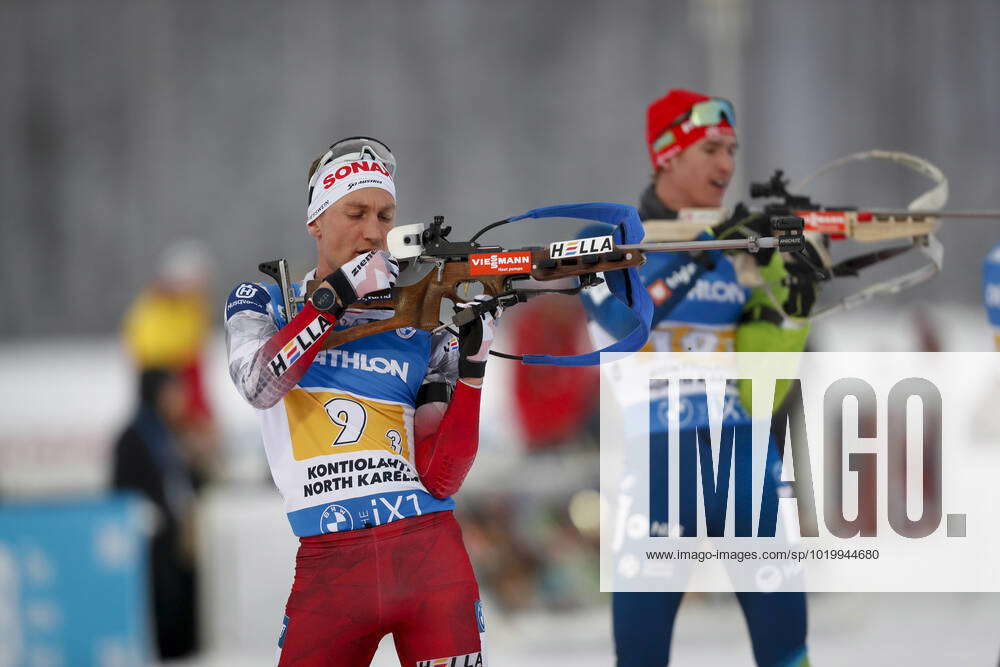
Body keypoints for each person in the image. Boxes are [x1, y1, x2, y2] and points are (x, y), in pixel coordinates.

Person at [224, 137, 499, 666]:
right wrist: (336, 298)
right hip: (331, 570)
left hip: (427, 554)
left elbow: (441, 475)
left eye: (385, 215)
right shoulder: (267, 303)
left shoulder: (421, 323)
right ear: (316, 222)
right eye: (356, 212)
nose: (373, 232)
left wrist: (473, 367)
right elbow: (259, 385)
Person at [581, 90, 819, 666]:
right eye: (711, 148)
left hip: (744, 463)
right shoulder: (611, 243)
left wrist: (796, 284)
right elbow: (623, 325)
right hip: (656, 470)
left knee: (788, 651)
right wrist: (700, 253)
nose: (727, 165)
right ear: (666, 155)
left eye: (732, 150)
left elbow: (767, 378)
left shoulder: (744, 249)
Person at [111, 368, 199, 660]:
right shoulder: (133, 436)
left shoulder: (169, 434)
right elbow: (121, 491)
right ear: (157, 394)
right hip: (150, 546)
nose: (181, 399)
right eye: (174, 392)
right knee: (160, 611)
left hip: (177, 539)